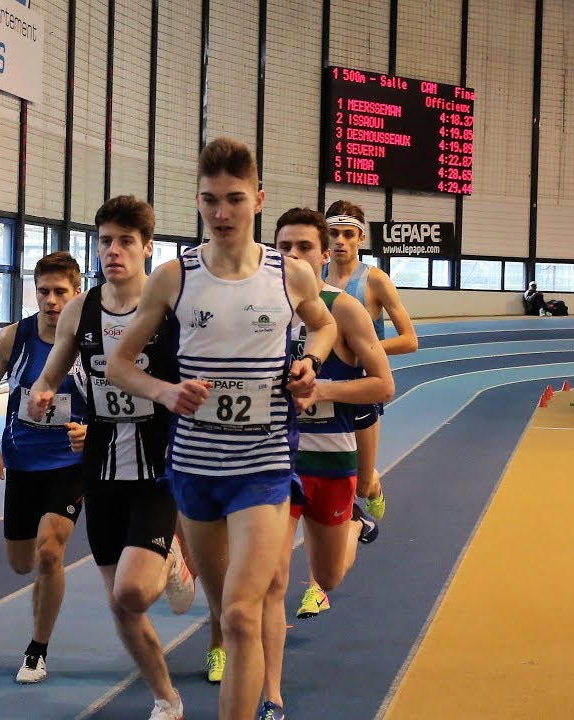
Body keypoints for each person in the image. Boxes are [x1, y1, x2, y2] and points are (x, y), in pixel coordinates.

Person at [105, 136, 337, 720]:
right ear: (198, 201)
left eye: (234, 199)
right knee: (221, 611)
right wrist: (165, 391)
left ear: (258, 199)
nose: (222, 213)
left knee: (239, 615)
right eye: (210, 200)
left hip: (262, 468)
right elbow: (119, 364)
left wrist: (310, 360)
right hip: (195, 470)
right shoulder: (173, 277)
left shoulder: (290, 276)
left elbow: (325, 326)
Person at [25, 195, 192, 720]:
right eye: (104, 242)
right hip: (100, 468)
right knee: (121, 606)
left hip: (157, 467)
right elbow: (53, 369)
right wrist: (42, 390)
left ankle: (170, 556)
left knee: (133, 592)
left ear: (147, 247)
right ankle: (167, 699)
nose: (113, 251)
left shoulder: (169, 308)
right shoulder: (83, 309)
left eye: (125, 241)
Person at [259, 208, 396, 719]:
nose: (293, 256)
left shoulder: (344, 309)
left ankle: (354, 524)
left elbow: (383, 386)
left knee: (328, 577)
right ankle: (271, 697)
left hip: (331, 462)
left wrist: (323, 389)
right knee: (273, 580)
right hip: (273, 462)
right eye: (283, 248)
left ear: (323, 255)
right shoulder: (257, 307)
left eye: (304, 247)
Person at [0, 251, 89, 685]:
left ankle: (37, 650)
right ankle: (41, 598)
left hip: (70, 463)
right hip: (22, 461)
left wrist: (93, 432)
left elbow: (120, 398)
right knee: (22, 563)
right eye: (43, 291)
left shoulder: (91, 341)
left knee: (50, 550)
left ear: (77, 292)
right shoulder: (13, 338)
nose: (51, 301)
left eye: (60, 292)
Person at [322, 202, 418, 525]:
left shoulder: (375, 281)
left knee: (361, 485)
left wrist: (365, 351)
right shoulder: (314, 276)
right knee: (323, 474)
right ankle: (343, 526)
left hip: (363, 390)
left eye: (348, 234)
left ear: (360, 238)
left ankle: (372, 487)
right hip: (323, 388)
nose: (340, 241)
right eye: (333, 233)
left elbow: (410, 340)